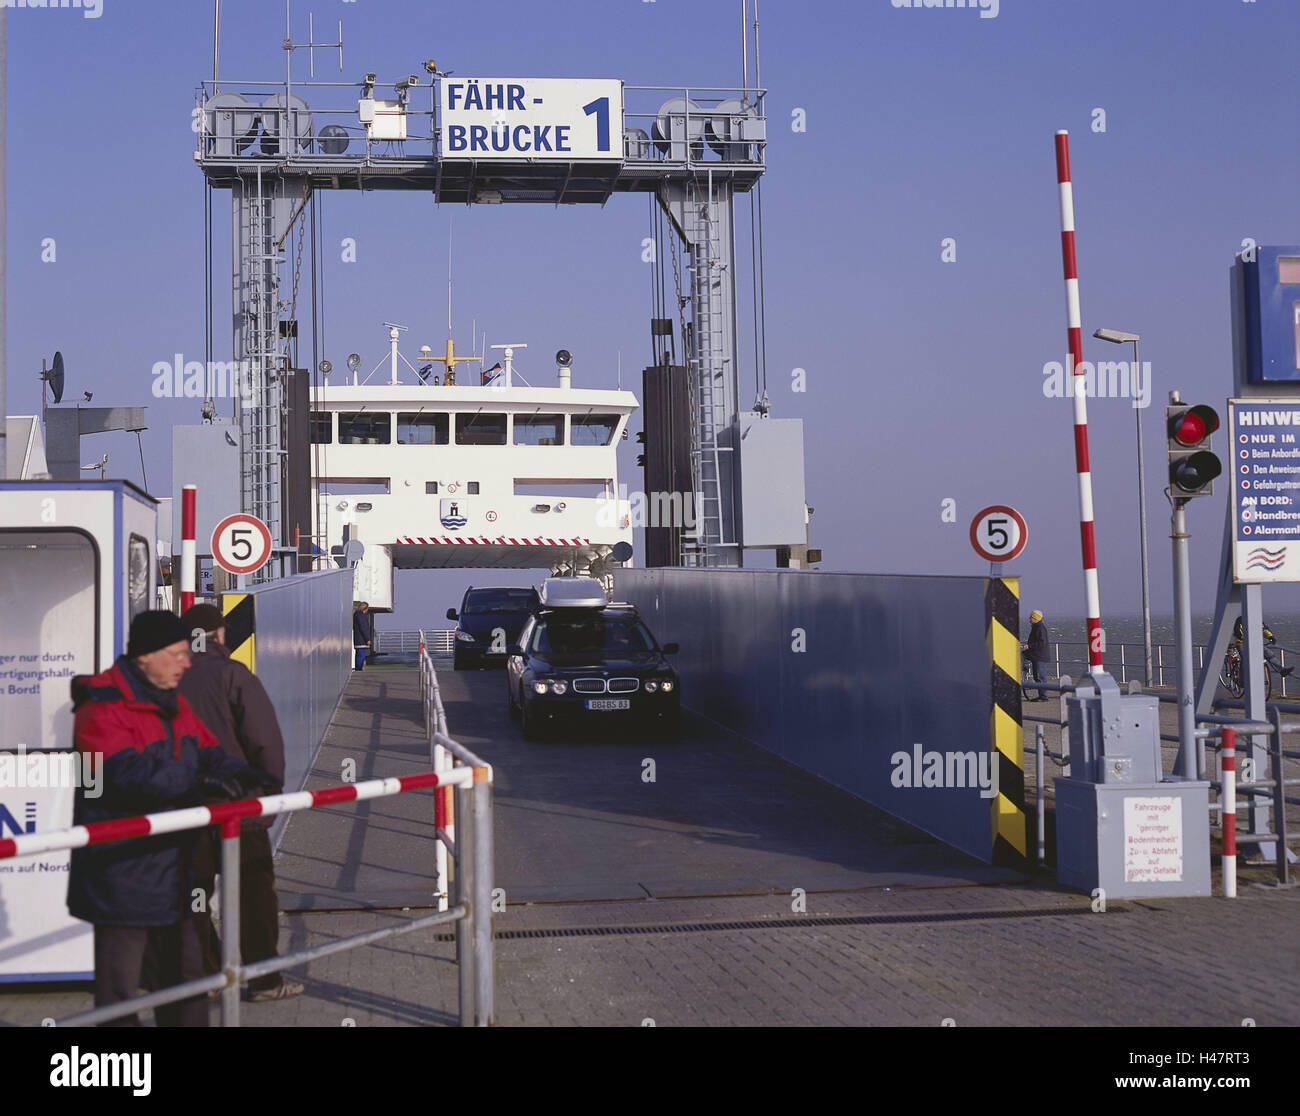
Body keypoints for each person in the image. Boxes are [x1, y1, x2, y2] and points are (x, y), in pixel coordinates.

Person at [67, 609, 276, 1027]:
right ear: (146, 656)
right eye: (178, 654)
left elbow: (206, 747)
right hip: (119, 875)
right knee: (120, 993)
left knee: (185, 982)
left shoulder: (172, 702)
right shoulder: (99, 709)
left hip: (170, 870)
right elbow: (123, 779)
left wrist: (241, 772)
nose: (187, 662)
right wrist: (200, 778)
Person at [179, 604, 302, 1003]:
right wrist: (267, 798)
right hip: (238, 808)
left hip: (186, 810)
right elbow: (264, 740)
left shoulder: (167, 679)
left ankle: (205, 977)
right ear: (218, 635)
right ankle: (264, 981)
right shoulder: (233, 674)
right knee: (253, 895)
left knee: (192, 896)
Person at [1022, 609, 1050, 701]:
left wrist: (1029, 646)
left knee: (1040, 677)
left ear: (1035, 618)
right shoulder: (1037, 627)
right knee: (1038, 676)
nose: (1029, 619)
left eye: (1031, 617)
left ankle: (1043, 696)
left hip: (1039, 657)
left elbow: (1042, 643)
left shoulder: (1039, 628)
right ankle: (1042, 696)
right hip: (1037, 656)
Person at [353, 601, 373, 671]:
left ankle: (358, 669)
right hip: (361, 640)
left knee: (359, 655)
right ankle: (358, 670)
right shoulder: (361, 616)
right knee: (361, 656)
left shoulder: (356, 615)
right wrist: (367, 639)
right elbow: (363, 628)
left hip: (358, 639)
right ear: (365, 608)